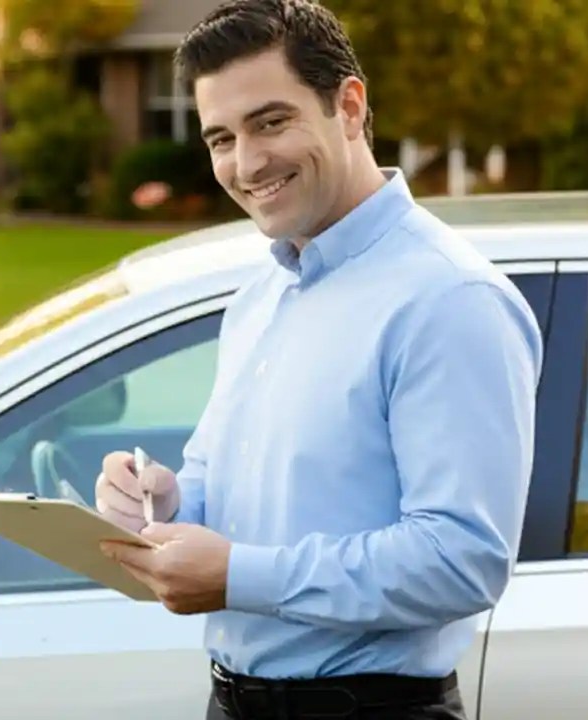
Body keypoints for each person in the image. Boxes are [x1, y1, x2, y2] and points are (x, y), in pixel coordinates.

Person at [94, 1, 544, 718]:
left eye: (271, 122)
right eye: (221, 138)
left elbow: (462, 560)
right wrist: (163, 501)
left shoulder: (449, 299)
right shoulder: (259, 296)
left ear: (350, 106)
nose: (247, 163)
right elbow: (226, 490)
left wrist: (239, 576)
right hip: (232, 701)